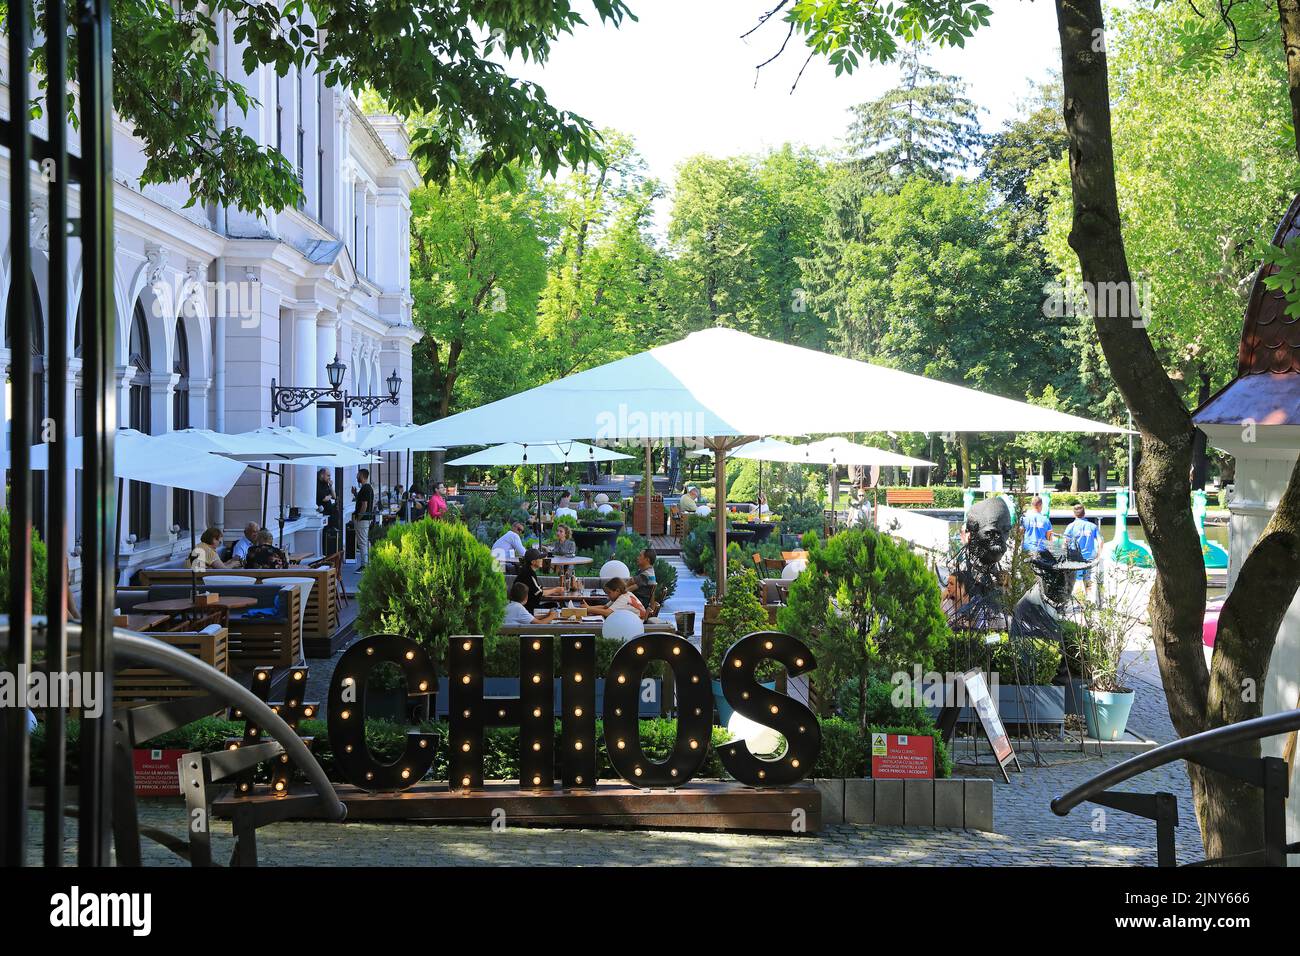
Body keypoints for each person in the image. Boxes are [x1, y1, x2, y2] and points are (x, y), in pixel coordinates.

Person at [1063, 503, 1101, 586]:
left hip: (1076, 558)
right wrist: (1098, 555)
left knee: (1077, 580)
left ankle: (1079, 596)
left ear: (1074, 514)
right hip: (1090, 557)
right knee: (1088, 579)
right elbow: (1100, 541)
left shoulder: (1071, 526)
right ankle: (1089, 596)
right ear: (1084, 514)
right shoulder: (1093, 526)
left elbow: (1065, 542)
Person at [352, 468, 375, 570]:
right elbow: (363, 501)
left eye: (358, 475)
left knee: (362, 542)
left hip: (363, 519)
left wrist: (359, 517)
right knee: (364, 540)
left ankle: (364, 565)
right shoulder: (367, 488)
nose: (357, 477)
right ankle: (366, 562)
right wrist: (356, 494)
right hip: (366, 518)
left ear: (362, 476)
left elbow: (364, 504)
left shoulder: (366, 488)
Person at [317, 469, 341, 553]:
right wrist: (329, 496)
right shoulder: (318, 484)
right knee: (324, 534)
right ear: (322, 475)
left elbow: (334, 496)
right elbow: (324, 498)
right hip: (323, 513)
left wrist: (331, 487)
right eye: (328, 475)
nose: (329, 477)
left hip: (330, 512)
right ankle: (325, 552)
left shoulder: (326, 484)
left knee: (332, 532)